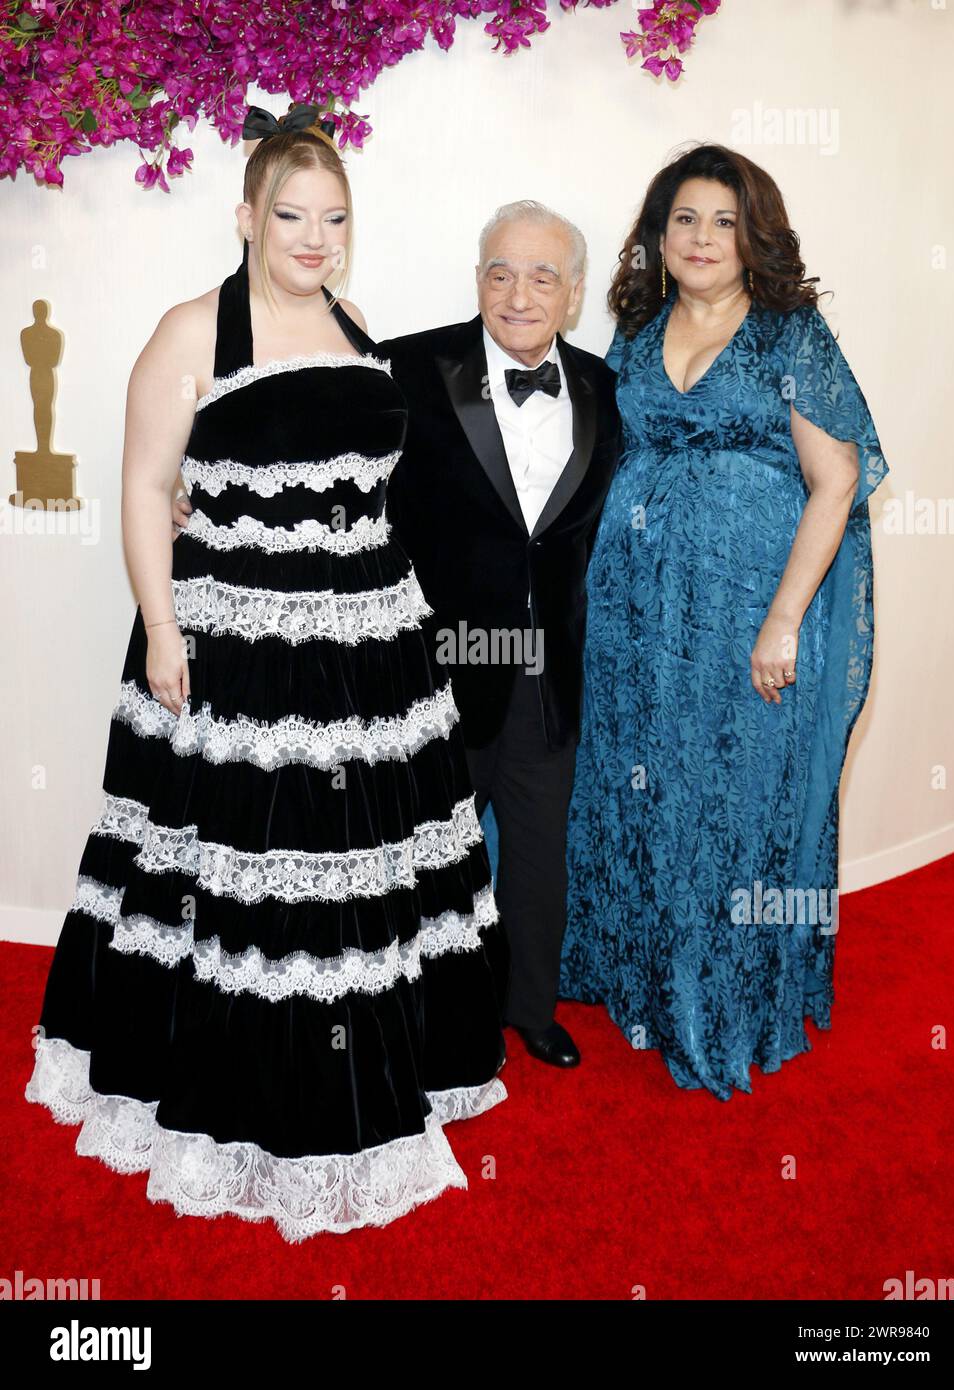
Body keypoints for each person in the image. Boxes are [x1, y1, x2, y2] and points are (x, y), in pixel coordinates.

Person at [25, 103, 509, 1241]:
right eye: (291, 215)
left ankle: (377, 1071)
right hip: (237, 647)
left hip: (369, 647)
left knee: (359, 870)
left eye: (333, 218)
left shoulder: (351, 318)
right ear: (244, 216)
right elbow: (148, 487)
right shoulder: (190, 331)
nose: (313, 237)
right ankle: (238, 1098)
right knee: (241, 873)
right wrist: (160, 628)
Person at [175, 200, 624, 1069]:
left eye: (541, 277)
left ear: (572, 295)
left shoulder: (606, 387)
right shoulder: (408, 366)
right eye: (500, 272)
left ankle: (532, 1009)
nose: (518, 294)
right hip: (422, 664)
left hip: (543, 668)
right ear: (478, 281)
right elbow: (301, 434)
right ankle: (416, 1017)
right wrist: (198, 487)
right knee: (409, 857)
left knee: (537, 854)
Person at [560, 143, 889, 1101]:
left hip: (749, 620)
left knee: (737, 808)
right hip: (634, 615)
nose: (702, 238)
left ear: (754, 237)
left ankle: (727, 1002)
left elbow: (836, 485)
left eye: (723, 220)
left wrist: (785, 621)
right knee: (644, 795)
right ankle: (648, 988)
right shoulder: (635, 329)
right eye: (684, 219)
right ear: (658, 238)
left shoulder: (792, 337)